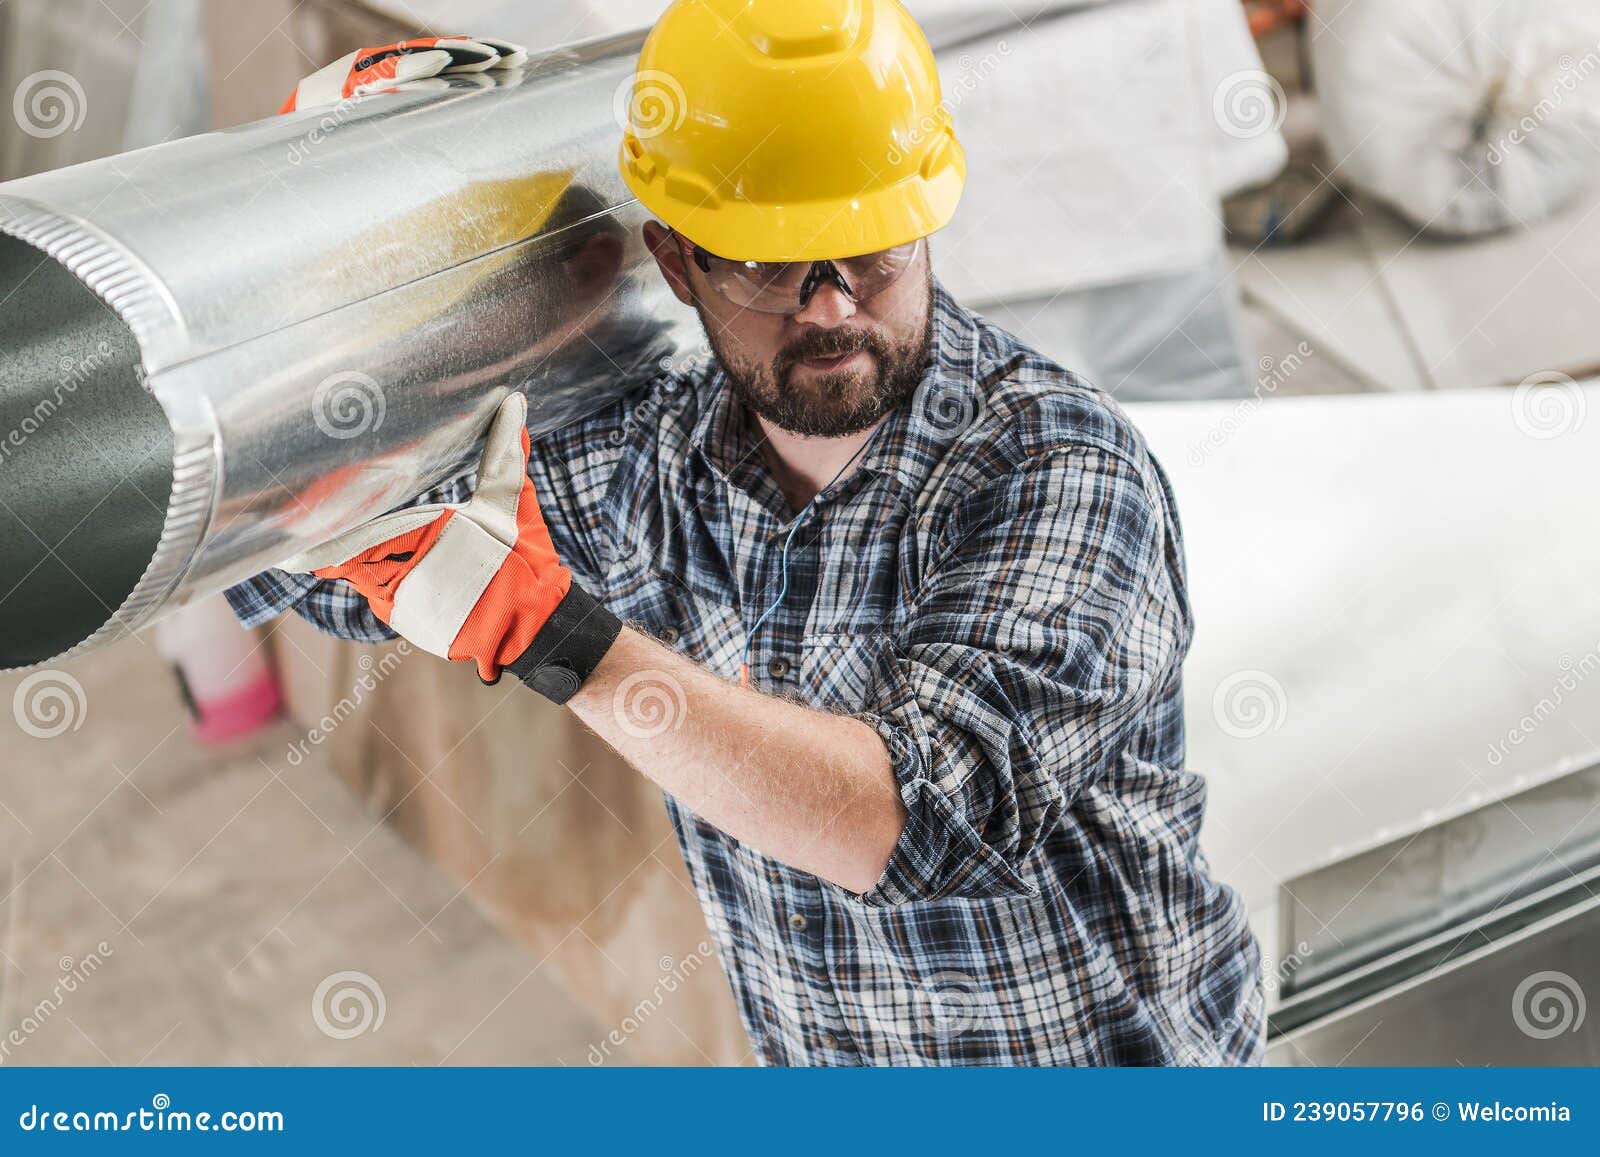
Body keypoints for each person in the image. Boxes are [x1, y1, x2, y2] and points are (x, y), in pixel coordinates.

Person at [230, 0, 1264, 1066]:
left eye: (870, 250)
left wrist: (557, 637)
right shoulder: (657, 466)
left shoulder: (1055, 469)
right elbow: (296, 552)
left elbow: (913, 820)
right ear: (676, 264)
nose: (830, 309)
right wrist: (347, 215)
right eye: (769, 265)